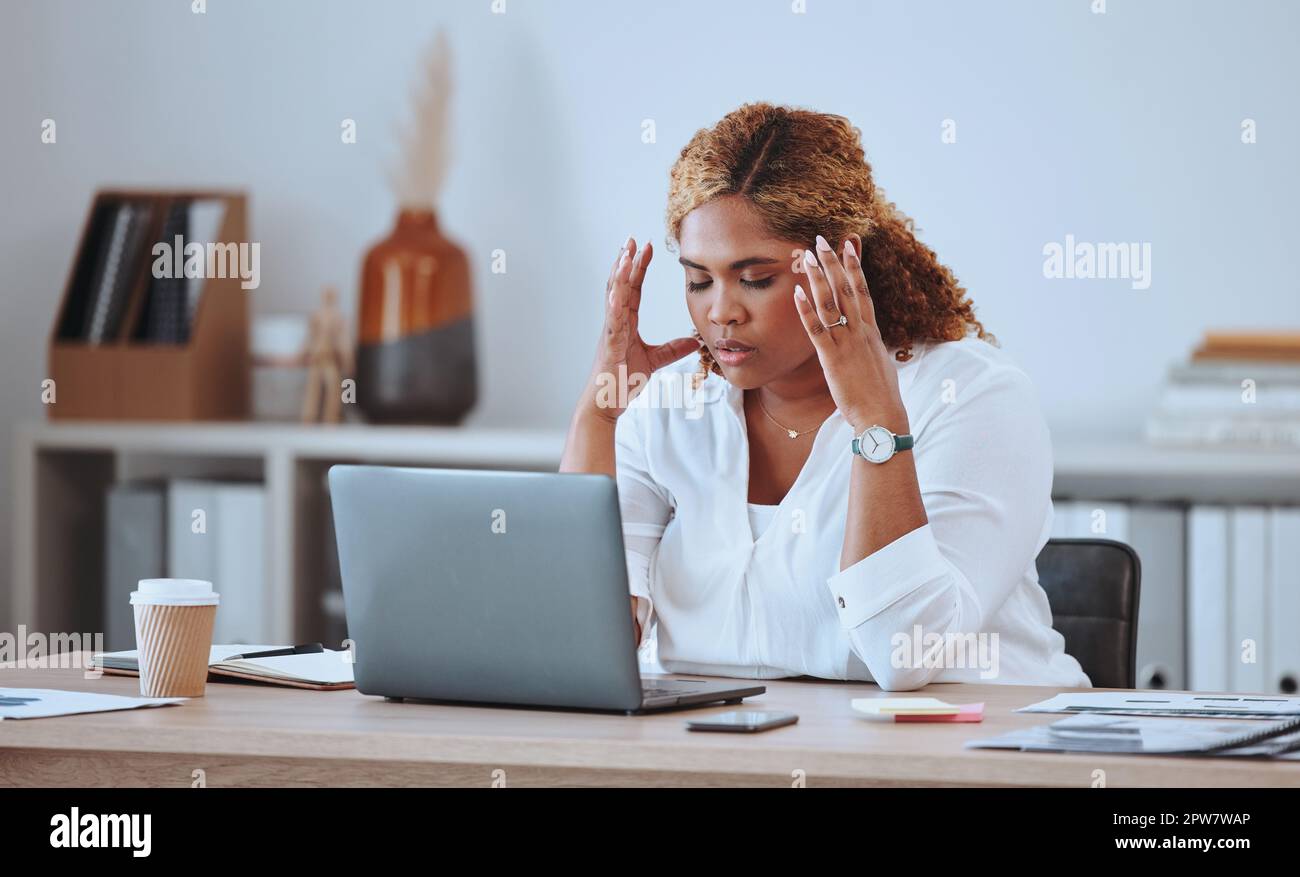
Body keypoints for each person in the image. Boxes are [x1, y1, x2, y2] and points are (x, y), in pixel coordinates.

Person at [559, 102, 1089, 691]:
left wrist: (876, 421)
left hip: (964, 758)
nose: (721, 311)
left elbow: (901, 654)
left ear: (839, 263)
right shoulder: (669, 409)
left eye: (755, 279)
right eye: (698, 280)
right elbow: (578, 639)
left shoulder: (969, 396)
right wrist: (600, 414)